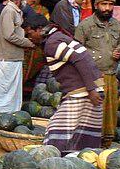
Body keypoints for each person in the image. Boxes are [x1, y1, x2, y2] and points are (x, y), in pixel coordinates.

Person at [22, 14, 103, 152]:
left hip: (83, 91)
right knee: (84, 130)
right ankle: (83, 159)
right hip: (89, 87)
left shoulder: (51, 44)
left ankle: (55, 160)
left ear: (39, 29)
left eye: (29, 33)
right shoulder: (57, 36)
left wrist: (91, 89)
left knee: (56, 129)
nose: (28, 38)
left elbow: (81, 58)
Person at [75, 0, 120, 145]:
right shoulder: (85, 25)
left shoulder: (116, 25)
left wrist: (119, 52)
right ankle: (87, 143)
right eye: (104, 4)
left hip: (111, 75)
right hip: (94, 77)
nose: (107, 8)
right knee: (92, 111)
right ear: (96, 5)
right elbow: (76, 51)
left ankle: (106, 143)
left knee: (109, 112)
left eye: (111, 4)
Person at [0, 0, 34, 115]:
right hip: (7, 58)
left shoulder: (15, 10)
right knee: (2, 93)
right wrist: (27, 42)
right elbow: (8, 35)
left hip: (13, 57)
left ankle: (8, 118)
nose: (26, 0)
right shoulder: (9, 11)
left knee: (10, 93)